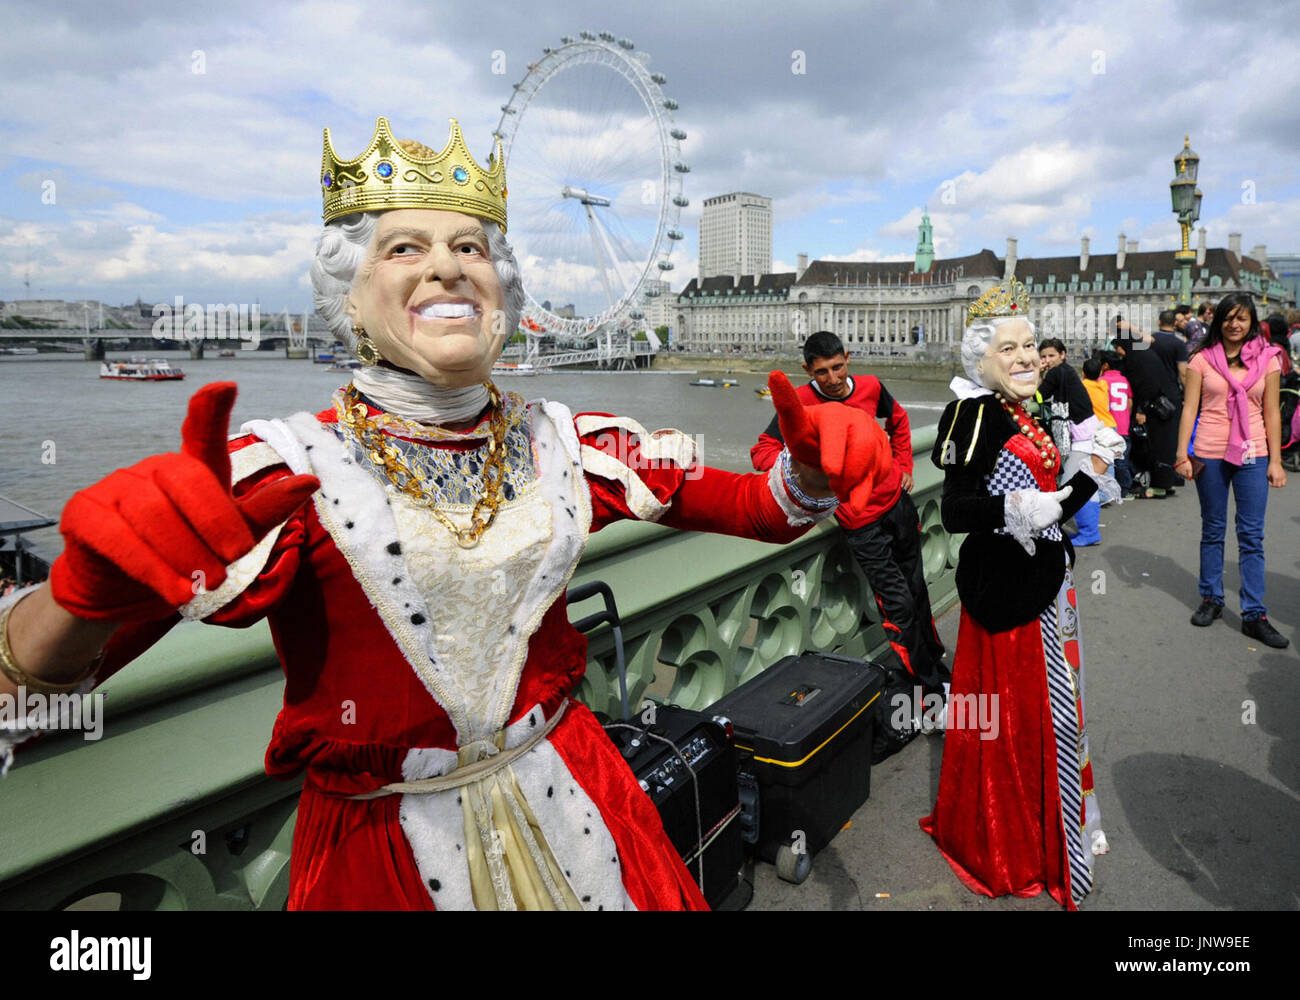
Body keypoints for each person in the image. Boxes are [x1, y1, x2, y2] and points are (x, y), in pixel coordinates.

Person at [0, 116, 891, 910]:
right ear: (348, 300)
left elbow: (757, 509)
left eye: (471, 248)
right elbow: (33, 685)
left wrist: (809, 472)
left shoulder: (568, 441)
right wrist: (84, 594)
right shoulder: (284, 467)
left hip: (579, 798)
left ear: (502, 293)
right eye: (402, 249)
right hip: (381, 850)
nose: (445, 266)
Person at [920, 277, 1107, 910]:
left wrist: (1090, 475)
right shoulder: (970, 414)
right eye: (1010, 349)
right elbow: (955, 512)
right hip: (1008, 594)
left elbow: (1051, 507)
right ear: (981, 359)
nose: (1027, 357)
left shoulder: (1024, 411)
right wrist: (1013, 505)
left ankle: (1047, 832)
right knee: (1016, 721)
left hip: (1047, 584)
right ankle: (1011, 841)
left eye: (1031, 345)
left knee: (1045, 717)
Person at [751, 331, 948, 694]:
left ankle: (935, 660)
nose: (833, 379)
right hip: (860, 521)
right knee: (897, 604)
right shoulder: (798, 401)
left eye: (838, 367)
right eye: (822, 372)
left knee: (917, 589)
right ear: (807, 370)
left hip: (898, 503)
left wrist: (904, 463)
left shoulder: (871, 387)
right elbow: (762, 450)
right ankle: (929, 688)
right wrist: (805, 471)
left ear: (848, 358)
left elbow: (899, 421)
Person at [1175, 294, 1289, 648]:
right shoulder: (1201, 360)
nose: (1234, 325)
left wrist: (1275, 460)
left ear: (1251, 321)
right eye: (1228, 318)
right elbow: (1189, 408)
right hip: (1209, 453)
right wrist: (1182, 453)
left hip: (1253, 453)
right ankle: (1212, 598)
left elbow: (1272, 412)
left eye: (1241, 318)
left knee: (1252, 536)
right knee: (1213, 529)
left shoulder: (1269, 359)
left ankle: (1254, 613)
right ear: (1218, 321)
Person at [1037, 340, 1121, 545]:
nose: (1047, 360)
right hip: (1091, 431)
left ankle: (1087, 532)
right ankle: (1089, 530)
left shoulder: (1057, 373)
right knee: (1087, 481)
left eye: (1051, 356)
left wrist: (1037, 373)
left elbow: (1038, 396)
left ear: (1062, 355)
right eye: (1044, 356)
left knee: (1073, 484)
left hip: (1082, 437)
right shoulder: (1067, 371)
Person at [1113, 318, 1182, 498]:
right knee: (1165, 445)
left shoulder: (1137, 360)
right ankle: (1165, 483)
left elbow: (1145, 386)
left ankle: (1159, 487)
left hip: (1155, 407)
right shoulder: (1144, 354)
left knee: (1157, 446)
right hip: (1165, 402)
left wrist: (1141, 410)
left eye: (1117, 347)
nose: (1117, 352)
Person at [1097, 350, 1135, 495]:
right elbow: (1130, 402)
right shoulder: (1124, 380)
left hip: (1109, 426)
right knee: (1122, 459)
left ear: (1105, 365)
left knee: (1111, 461)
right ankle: (1124, 488)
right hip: (1124, 425)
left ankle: (1124, 488)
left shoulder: (1101, 381)